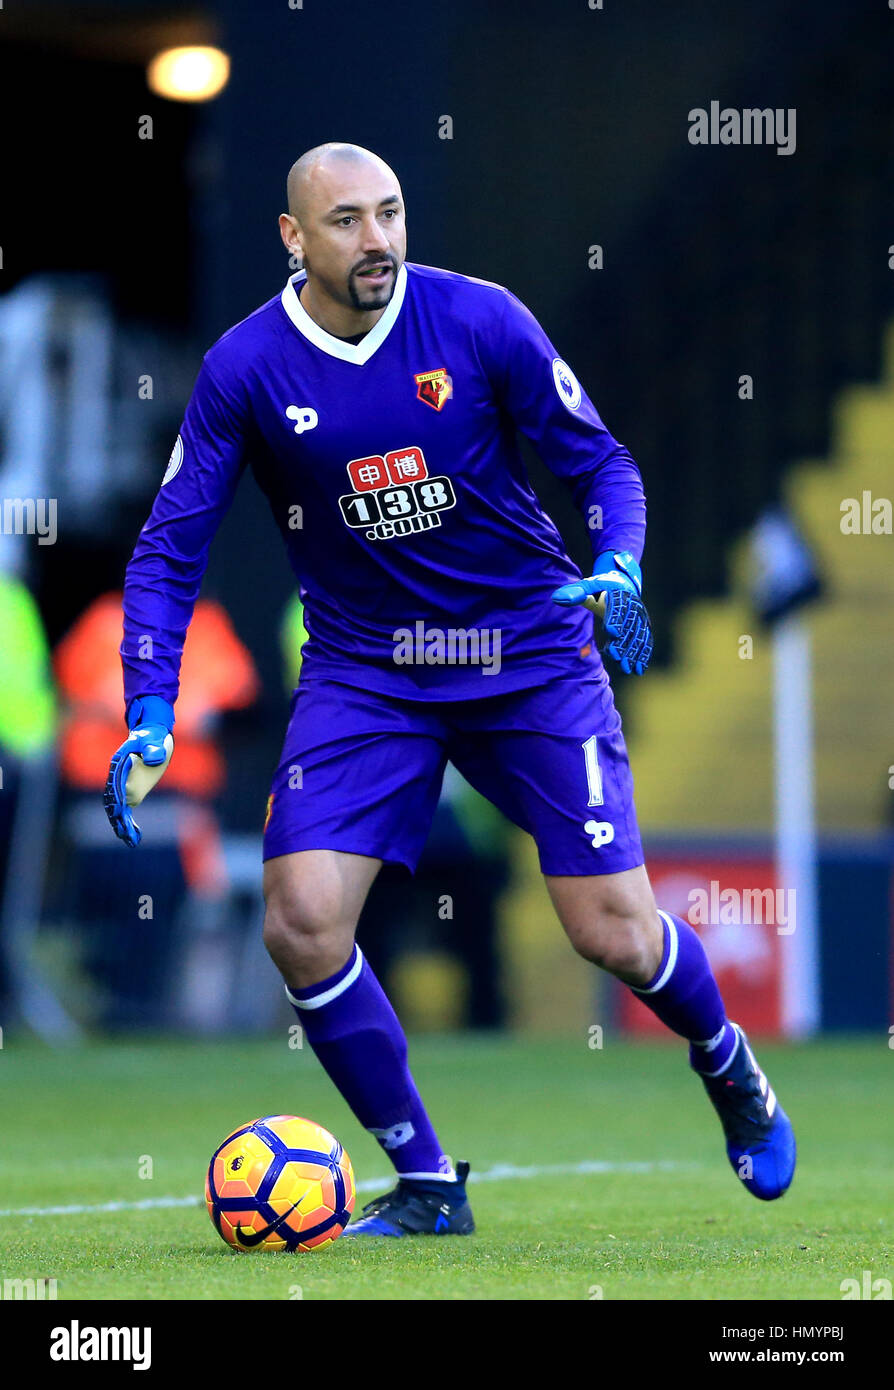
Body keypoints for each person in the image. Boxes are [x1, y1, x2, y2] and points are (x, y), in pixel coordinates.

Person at [105, 142, 795, 1239]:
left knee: (612, 932)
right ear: (294, 237)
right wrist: (150, 704)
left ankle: (731, 1067)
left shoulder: (479, 321)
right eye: (345, 222)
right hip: (369, 670)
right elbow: (168, 546)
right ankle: (427, 1182)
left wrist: (618, 561)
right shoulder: (246, 367)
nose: (375, 240)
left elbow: (601, 462)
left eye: (390, 213)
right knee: (301, 923)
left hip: (524, 652)